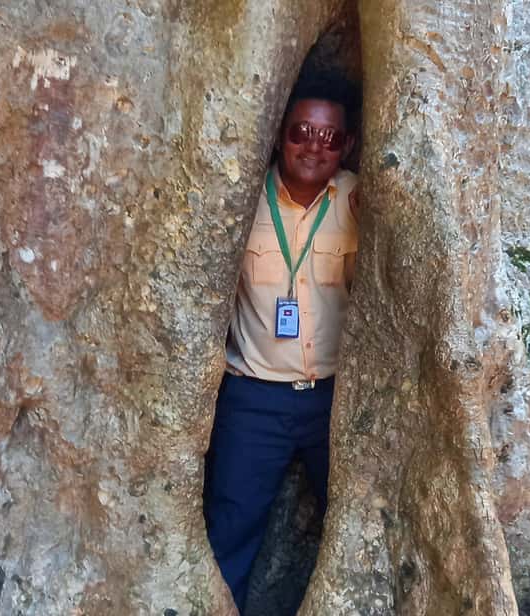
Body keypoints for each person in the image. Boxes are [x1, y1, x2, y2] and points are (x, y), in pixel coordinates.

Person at [203, 73, 361, 612]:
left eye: (329, 137)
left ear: (348, 145)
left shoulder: (360, 202)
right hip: (254, 399)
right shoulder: (242, 200)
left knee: (357, 524)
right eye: (301, 131)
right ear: (278, 135)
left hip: (334, 400)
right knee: (231, 529)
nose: (314, 146)